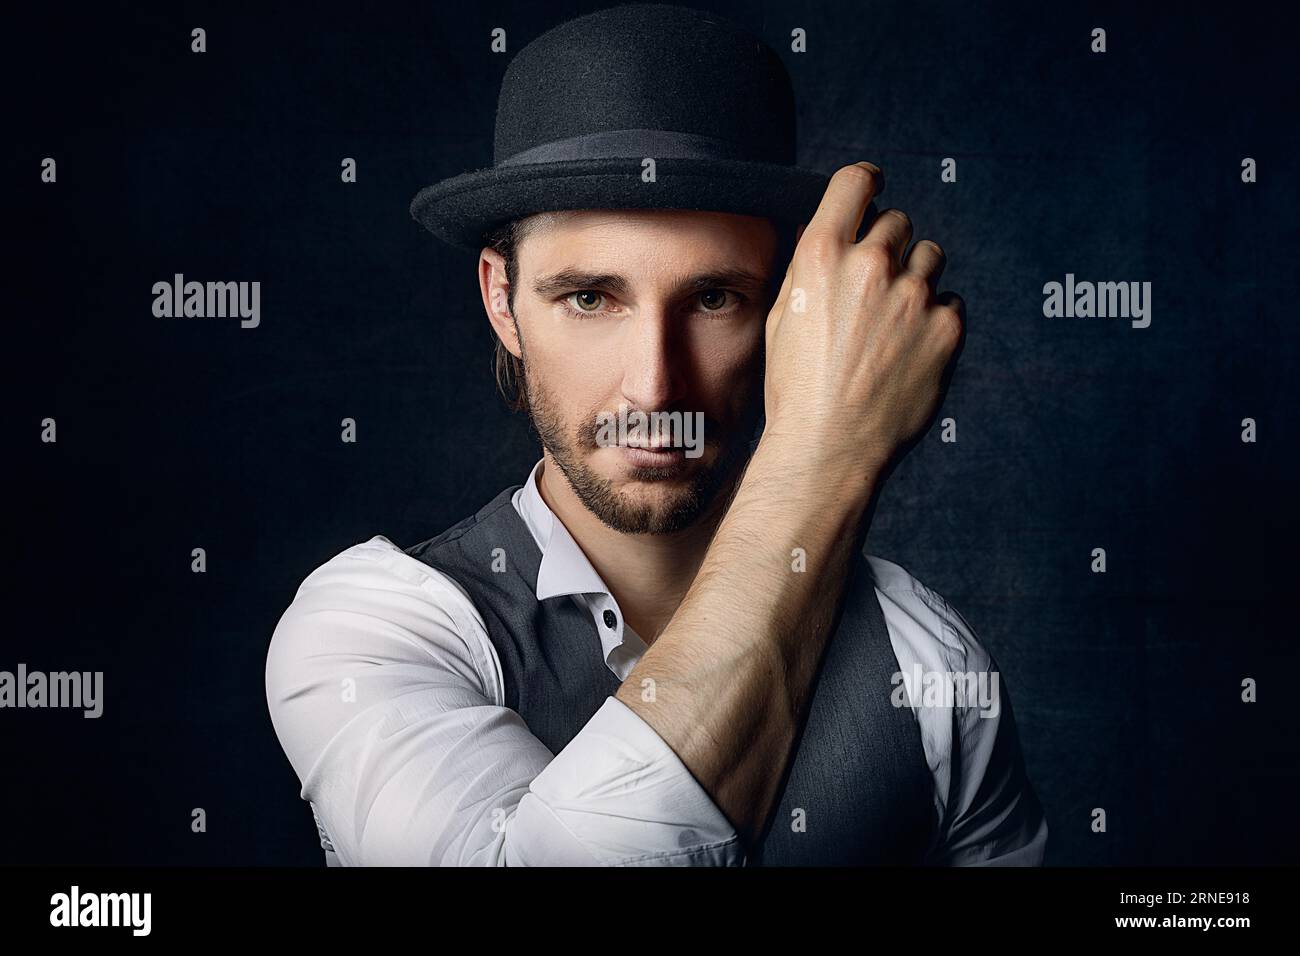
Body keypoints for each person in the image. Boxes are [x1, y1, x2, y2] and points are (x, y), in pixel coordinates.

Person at [265, 2, 1047, 866]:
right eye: (590, 298)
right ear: (501, 301)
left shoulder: (926, 663)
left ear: (792, 311)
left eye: (715, 298)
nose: (655, 385)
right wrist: (825, 456)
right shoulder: (379, 631)